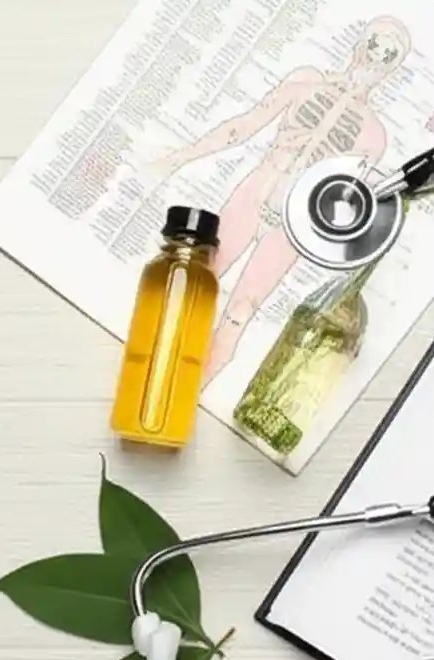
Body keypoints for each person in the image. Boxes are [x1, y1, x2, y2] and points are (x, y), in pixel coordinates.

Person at [148, 16, 411, 385]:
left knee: (241, 311)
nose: (374, 59)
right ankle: (149, 364)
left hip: (294, 224)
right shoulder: (307, 81)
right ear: (359, 44)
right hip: (258, 187)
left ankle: (186, 391)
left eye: (387, 56)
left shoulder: (373, 135)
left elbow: (344, 205)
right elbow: (243, 126)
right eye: (374, 46)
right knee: (198, 278)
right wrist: (180, 157)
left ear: (391, 71)